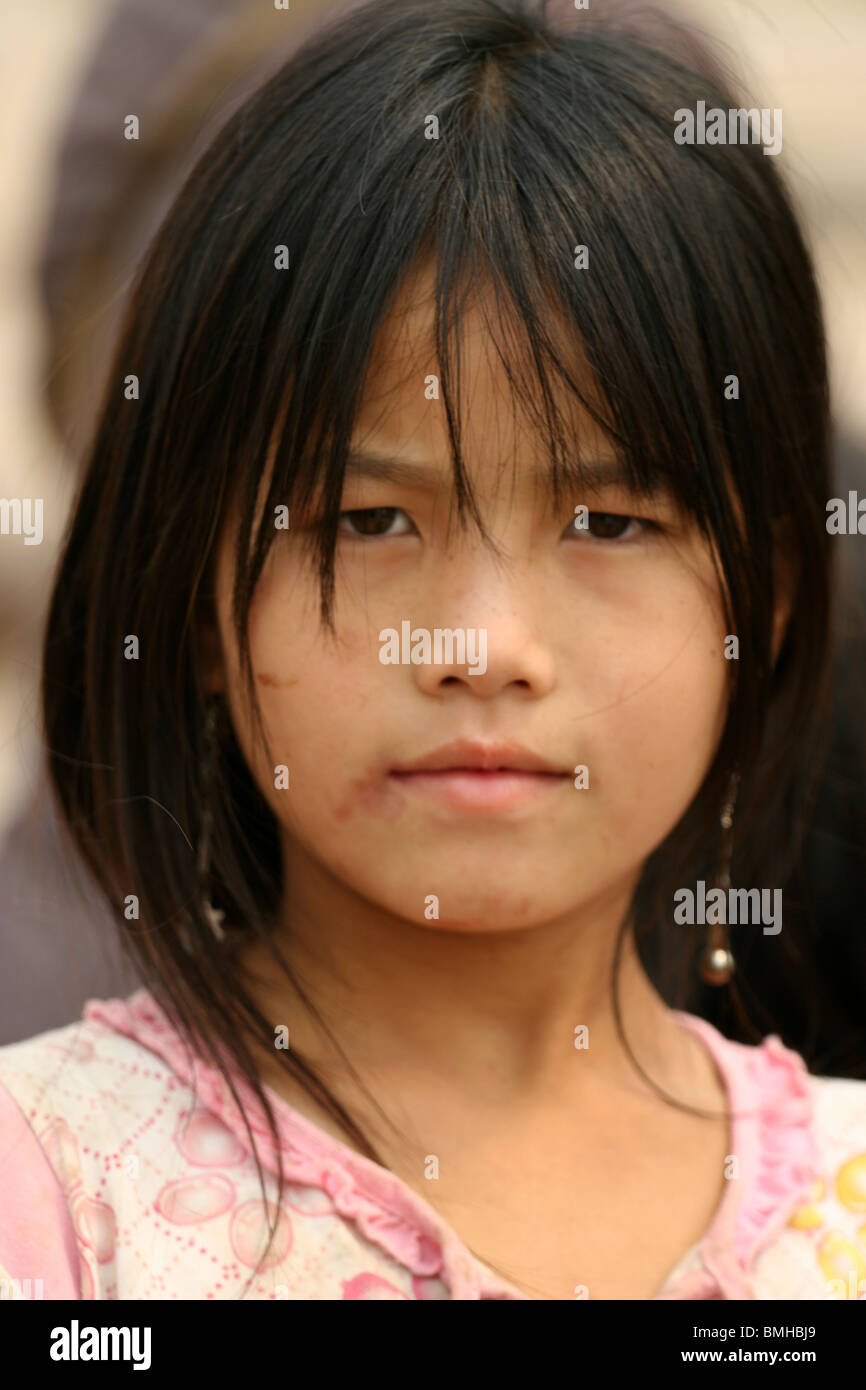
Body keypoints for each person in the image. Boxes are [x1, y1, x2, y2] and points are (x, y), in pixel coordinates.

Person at [1, 0, 864, 1301]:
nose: (482, 646)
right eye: (369, 518)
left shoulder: (839, 1205)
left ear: (767, 606)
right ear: (192, 600)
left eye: (605, 521)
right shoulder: (55, 1190)